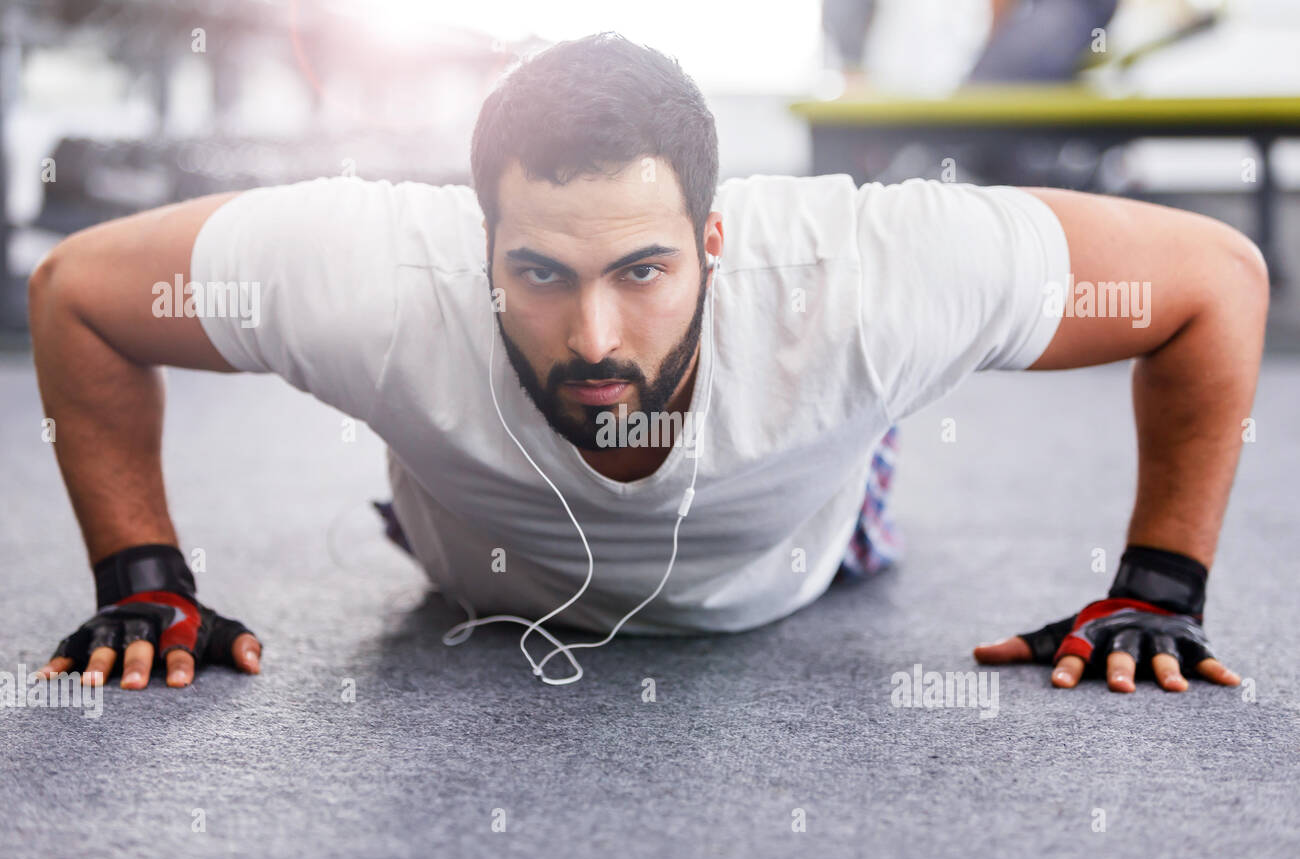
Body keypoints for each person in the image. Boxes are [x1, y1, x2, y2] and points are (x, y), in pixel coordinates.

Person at [29, 32, 1262, 692]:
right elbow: (78, 293)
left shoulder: (874, 271)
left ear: (715, 243)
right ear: (481, 242)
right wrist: (144, 580)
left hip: (798, 552)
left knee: (843, 425)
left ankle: (856, 457)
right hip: (481, 563)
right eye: (540, 274)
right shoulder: (364, 268)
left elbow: (1215, 281)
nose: (596, 341)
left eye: (643, 271)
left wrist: (1154, 588)